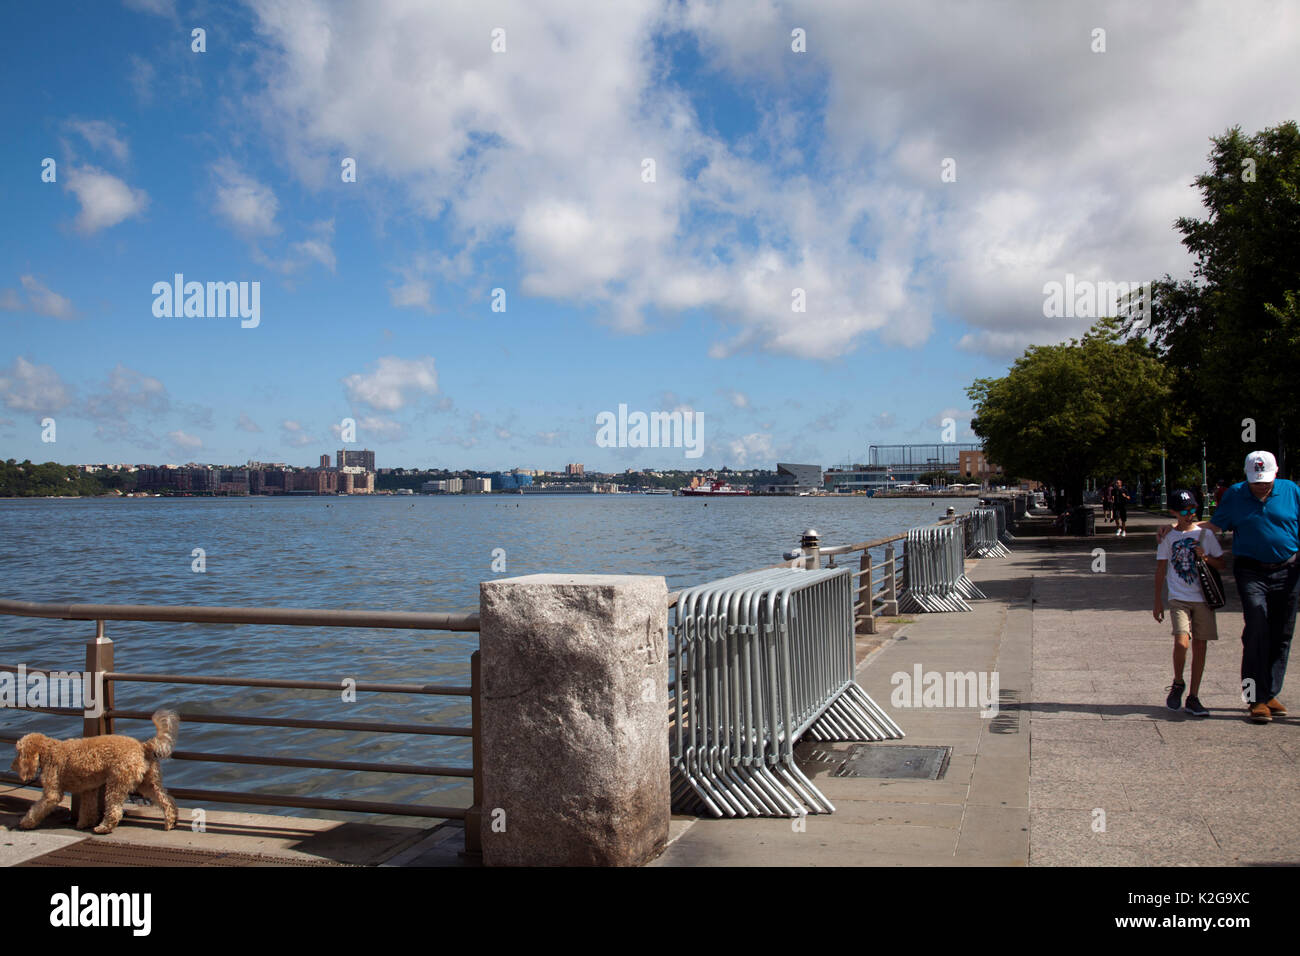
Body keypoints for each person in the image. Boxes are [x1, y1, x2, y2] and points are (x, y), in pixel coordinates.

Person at [1159, 451, 1300, 723]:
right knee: (1257, 625)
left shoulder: (1292, 491)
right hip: (1251, 570)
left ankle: (1270, 692)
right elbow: (1214, 525)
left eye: (1266, 481)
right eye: (1256, 482)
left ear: (1276, 473)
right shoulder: (1236, 494)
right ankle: (1255, 698)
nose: (1261, 486)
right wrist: (1178, 526)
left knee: (1283, 633)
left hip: (1288, 569)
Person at [1153, 490, 1225, 716]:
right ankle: (1178, 682)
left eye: (1193, 510)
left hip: (1203, 598)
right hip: (1178, 598)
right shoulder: (1168, 537)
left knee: (1200, 646)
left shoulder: (1205, 536)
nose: (1190, 514)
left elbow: (1221, 564)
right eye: (1184, 510)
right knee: (1181, 641)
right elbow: (1161, 569)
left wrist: (1205, 557)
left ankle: (1194, 696)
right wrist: (1157, 601)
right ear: (1173, 512)